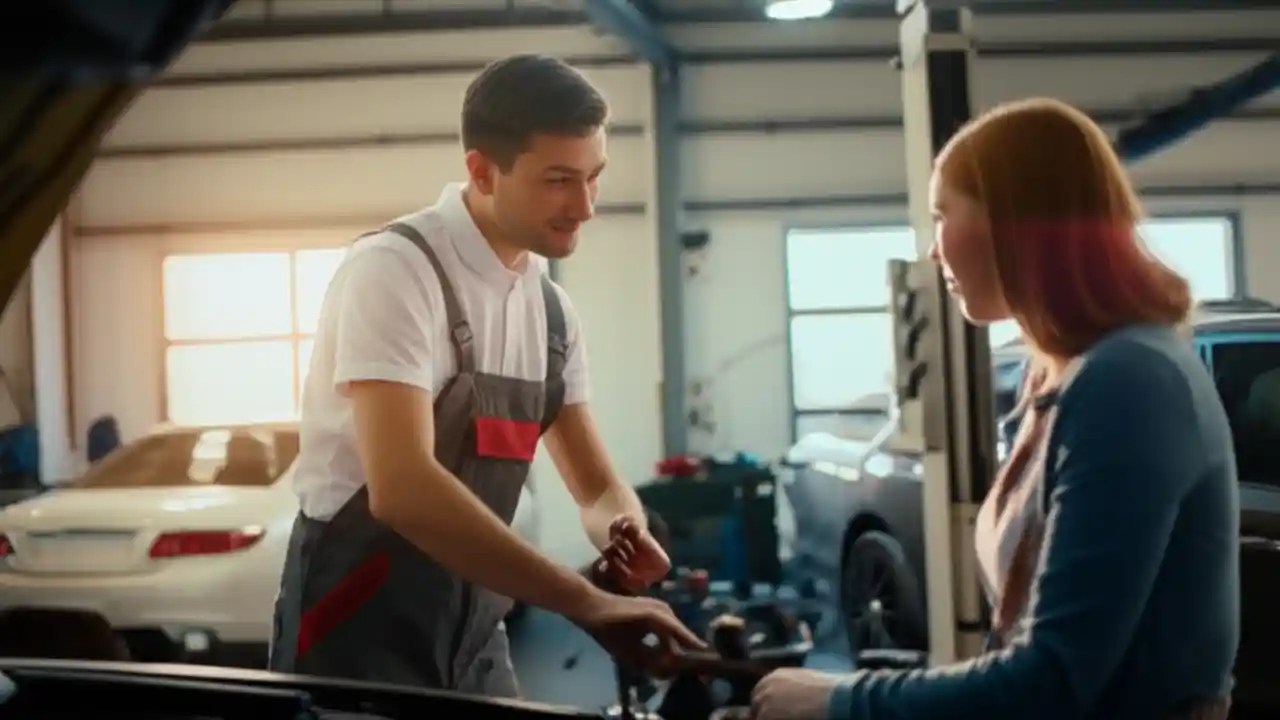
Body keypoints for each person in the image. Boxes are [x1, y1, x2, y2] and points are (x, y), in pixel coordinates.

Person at [751, 98, 1239, 720]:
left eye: (941, 216)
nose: (932, 253)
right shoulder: (1065, 376)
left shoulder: (1129, 382)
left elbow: (1053, 679)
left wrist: (840, 700)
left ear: (1014, 222)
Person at [267, 53, 701, 697]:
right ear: (481, 170)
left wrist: (622, 527)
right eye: (558, 179)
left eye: (593, 178)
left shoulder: (550, 311)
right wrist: (582, 600)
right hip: (358, 636)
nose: (584, 206)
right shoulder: (396, 271)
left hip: (476, 637)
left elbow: (594, 487)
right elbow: (404, 489)